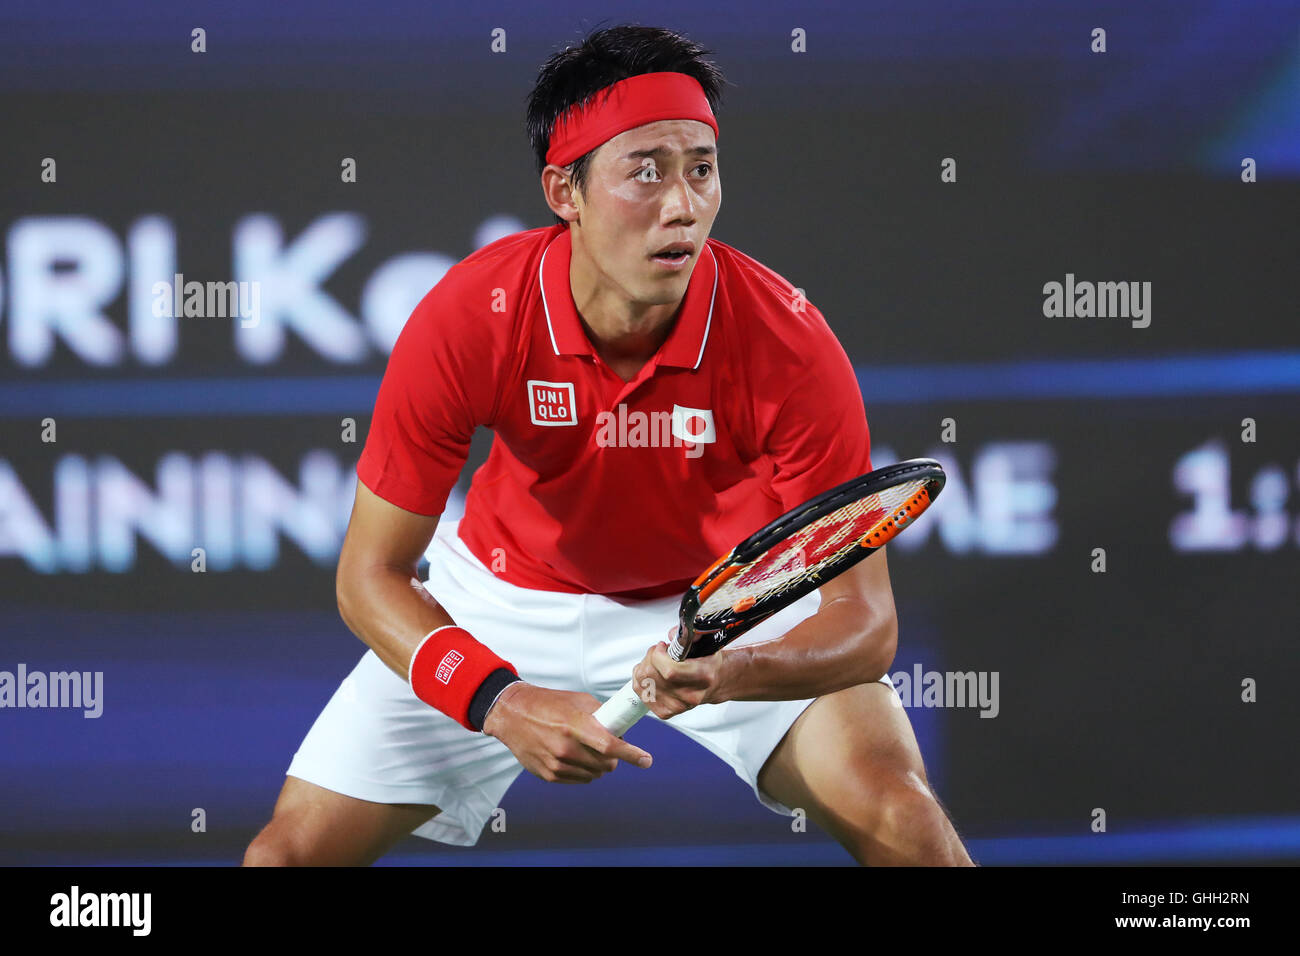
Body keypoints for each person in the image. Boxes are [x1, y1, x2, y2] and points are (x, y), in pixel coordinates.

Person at [244, 24, 973, 867]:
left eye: (701, 167)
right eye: (646, 171)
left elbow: (867, 624)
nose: (683, 203)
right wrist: (500, 701)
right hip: (502, 601)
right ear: (565, 191)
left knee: (906, 823)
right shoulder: (470, 315)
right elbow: (367, 578)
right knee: (285, 857)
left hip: (719, 610)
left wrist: (728, 673)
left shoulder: (789, 342)